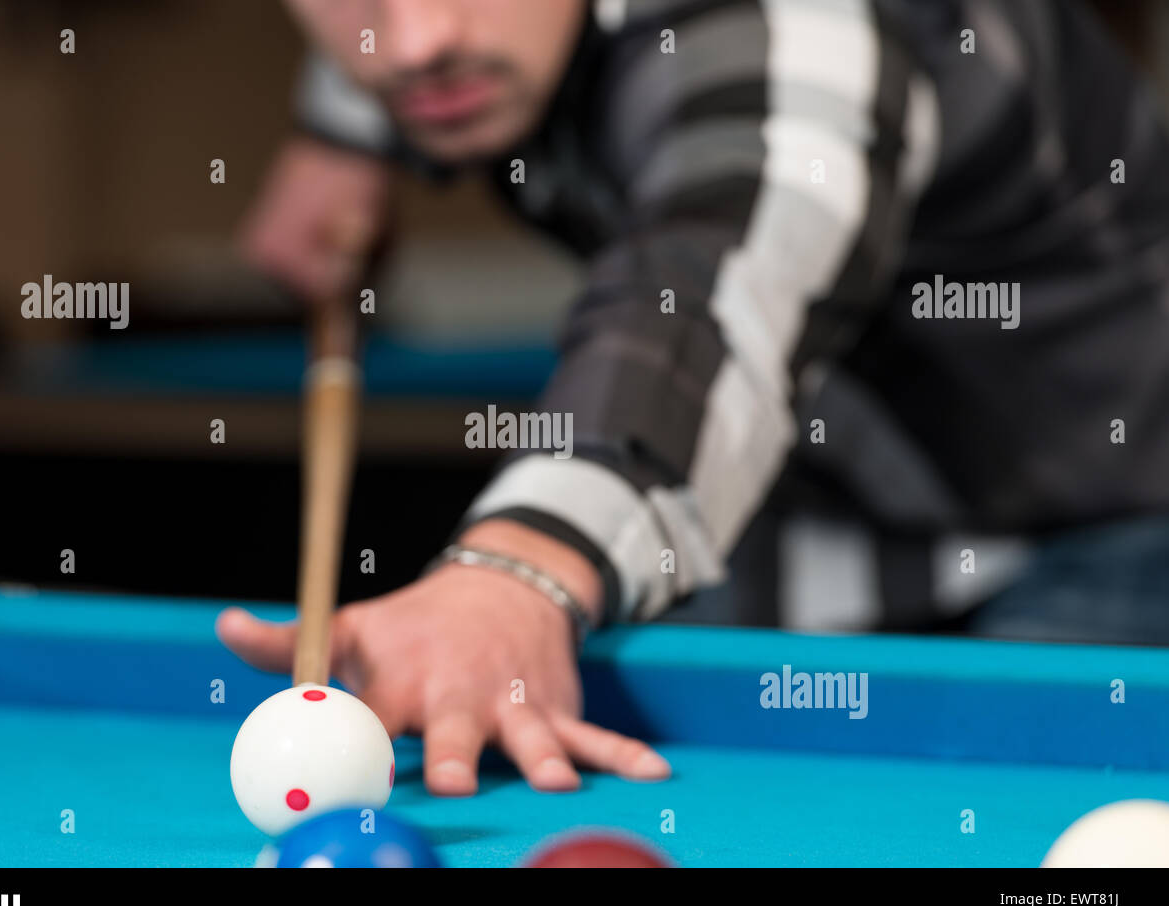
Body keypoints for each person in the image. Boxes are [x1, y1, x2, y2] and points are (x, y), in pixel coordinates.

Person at [218, 0, 1169, 796]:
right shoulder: (439, 41)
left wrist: (520, 571)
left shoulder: (800, 29)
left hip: (1106, 517)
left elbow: (714, 287)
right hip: (805, 506)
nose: (416, 40)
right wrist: (342, 125)